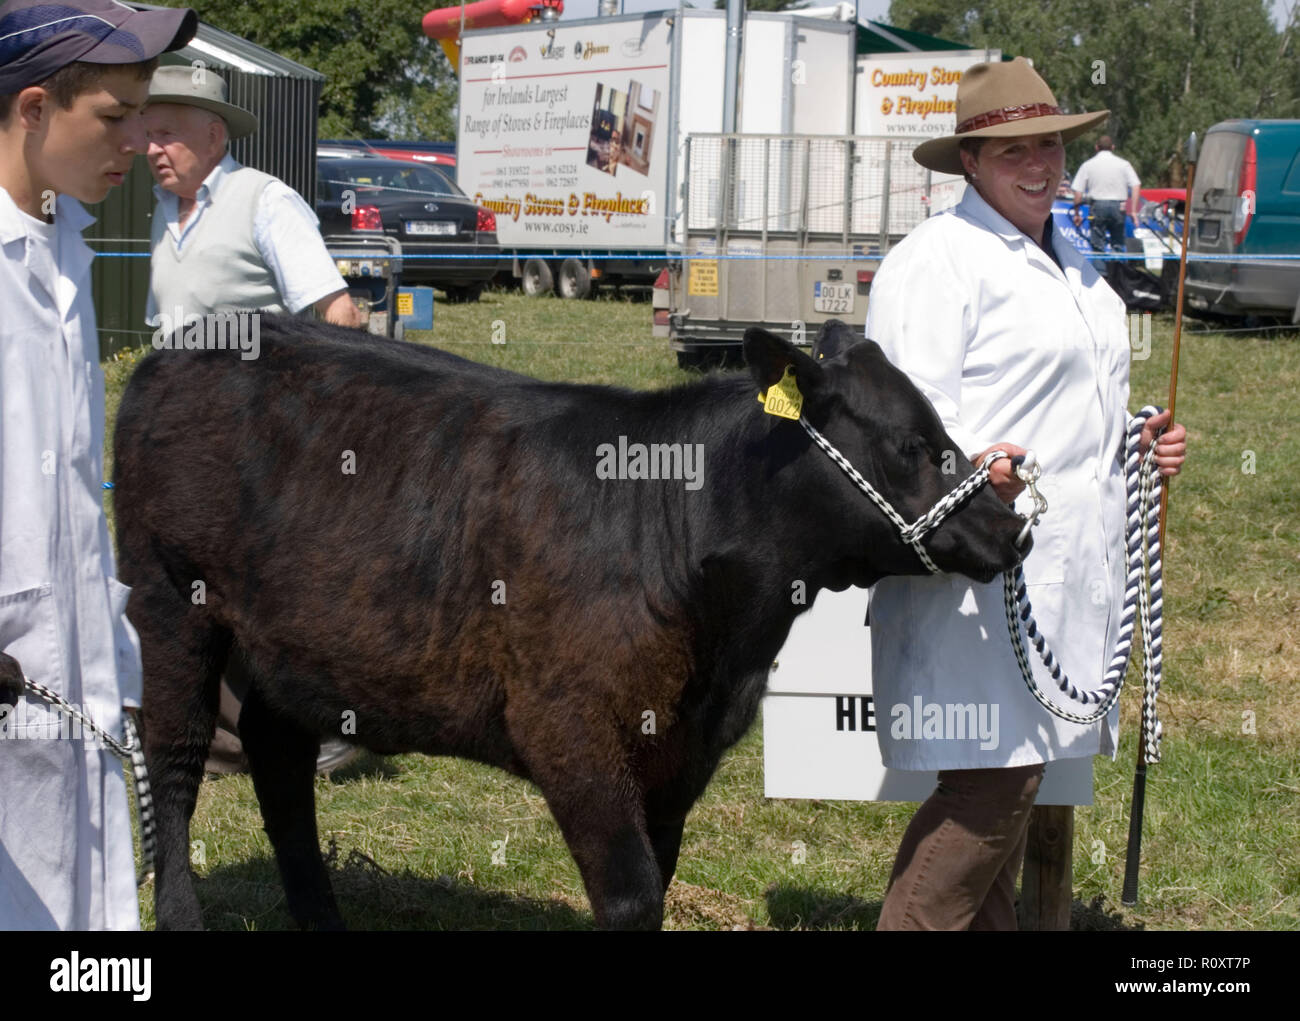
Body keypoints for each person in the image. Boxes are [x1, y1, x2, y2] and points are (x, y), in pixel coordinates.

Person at [863, 57, 1187, 930]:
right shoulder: (934, 262)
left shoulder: (1074, 256)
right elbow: (895, 434)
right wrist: (973, 467)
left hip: (1065, 580)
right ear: (970, 160)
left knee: (1010, 789)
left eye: (1048, 143)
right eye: (1015, 151)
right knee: (990, 793)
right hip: (978, 583)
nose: (1039, 162)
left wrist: (1140, 443)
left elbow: (1084, 402)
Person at [0, 0, 197, 929]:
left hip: (70, 670)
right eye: (114, 118)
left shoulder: (64, 247)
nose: (136, 142)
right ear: (33, 109)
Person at [141, 64, 360, 774]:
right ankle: (231, 738)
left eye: (166, 133)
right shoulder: (163, 215)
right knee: (204, 589)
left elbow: (337, 313)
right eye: (147, 133)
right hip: (188, 444)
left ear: (213, 134)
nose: (151, 147)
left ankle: (331, 731)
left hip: (261, 443)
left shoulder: (264, 201)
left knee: (278, 589)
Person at [1072, 135, 1140, 253]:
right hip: (1119, 207)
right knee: (1118, 243)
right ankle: (1117, 269)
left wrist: (1077, 214)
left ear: (1096, 147)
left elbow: (1078, 192)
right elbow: (1136, 185)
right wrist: (1133, 211)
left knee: (1097, 245)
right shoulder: (1124, 164)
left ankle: (1100, 271)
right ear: (1113, 147)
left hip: (1097, 206)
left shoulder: (1088, 165)